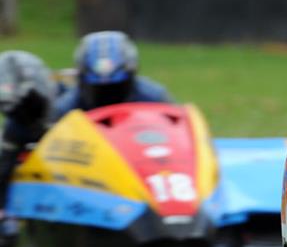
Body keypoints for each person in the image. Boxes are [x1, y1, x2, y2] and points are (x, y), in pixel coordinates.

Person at [52, 31, 172, 119]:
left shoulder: (154, 99)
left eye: (115, 88)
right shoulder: (67, 108)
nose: (108, 97)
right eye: (99, 89)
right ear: (83, 83)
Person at [0, 51, 57, 227]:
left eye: (29, 104)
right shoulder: (15, 127)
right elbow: (3, 168)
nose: (23, 114)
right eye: (15, 111)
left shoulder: (68, 109)